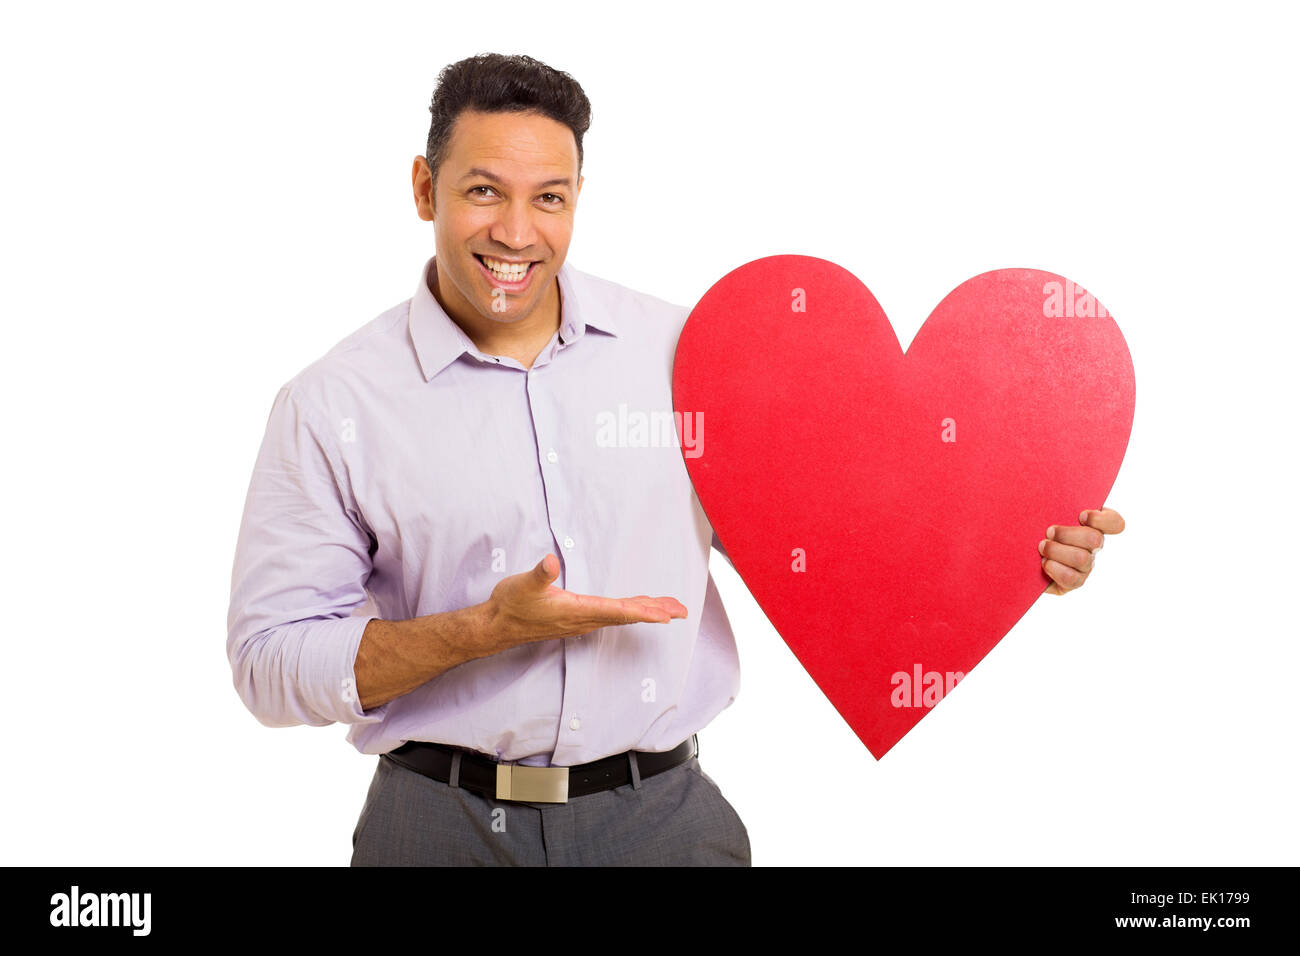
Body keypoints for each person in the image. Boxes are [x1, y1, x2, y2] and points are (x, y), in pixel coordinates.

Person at [226, 52, 1124, 867]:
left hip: (662, 825)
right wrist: (481, 632)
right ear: (425, 188)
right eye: (483, 191)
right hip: (436, 829)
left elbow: (819, 541)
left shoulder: (688, 355)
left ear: (579, 196)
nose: (516, 232)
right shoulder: (332, 404)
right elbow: (270, 664)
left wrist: (1008, 545)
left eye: (550, 197)